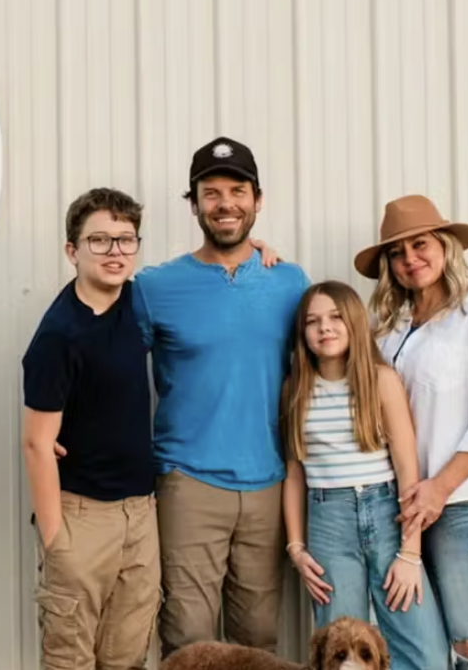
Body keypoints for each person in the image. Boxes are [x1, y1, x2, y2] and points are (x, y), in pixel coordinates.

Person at [131, 136, 311, 657]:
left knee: (258, 643)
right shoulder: (155, 287)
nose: (225, 203)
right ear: (194, 204)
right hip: (188, 482)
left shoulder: (290, 282)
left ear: (258, 199)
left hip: (269, 485)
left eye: (238, 190)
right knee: (188, 642)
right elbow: (114, 369)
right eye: (211, 193)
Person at [354, 194, 468, 670]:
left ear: (445, 246)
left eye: (420, 245)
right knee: (412, 641)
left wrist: (439, 489)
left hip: (459, 501)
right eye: (397, 252)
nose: (411, 259)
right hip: (397, 505)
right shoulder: (388, 329)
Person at [21, 187, 161, 670]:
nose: (114, 252)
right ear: (72, 251)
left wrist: (263, 253)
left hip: (140, 518)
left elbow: (200, 271)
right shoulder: (58, 337)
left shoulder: (136, 300)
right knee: (71, 661)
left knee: (127, 658)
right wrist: (57, 542)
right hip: (81, 517)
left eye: (125, 240)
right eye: (99, 240)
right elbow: (38, 443)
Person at [280, 280, 449, 669]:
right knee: (337, 652)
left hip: (389, 515)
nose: (325, 328)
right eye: (313, 321)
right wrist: (296, 548)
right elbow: (294, 473)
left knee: (425, 653)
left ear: (355, 321)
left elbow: (409, 471)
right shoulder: (296, 389)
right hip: (328, 523)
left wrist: (410, 552)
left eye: (336, 317)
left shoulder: (381, 381)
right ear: (302, 333)